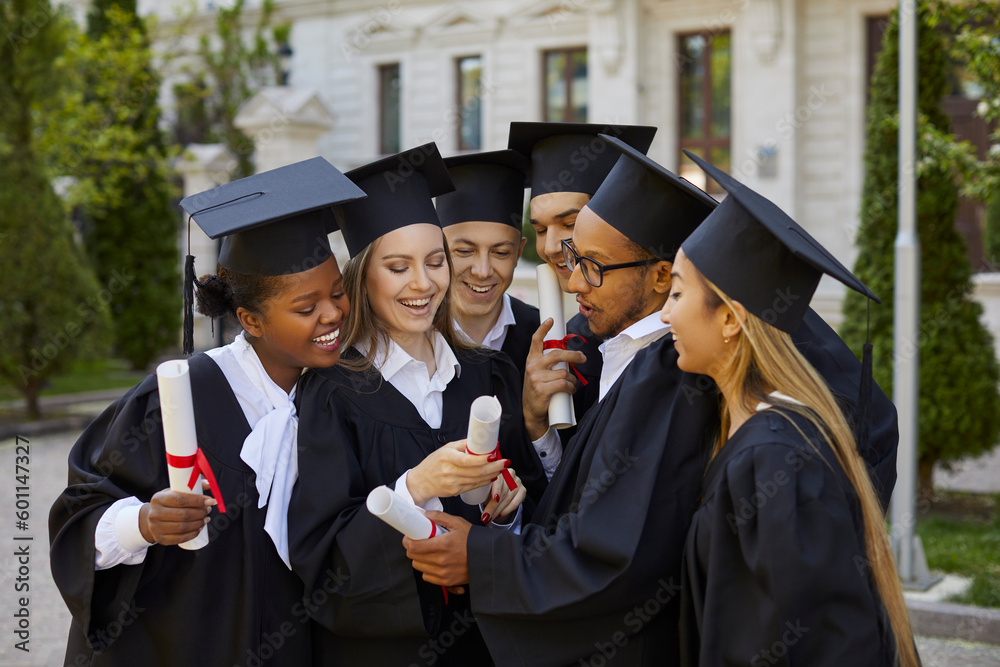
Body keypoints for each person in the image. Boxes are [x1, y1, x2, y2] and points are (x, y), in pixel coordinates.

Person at [403, 136, 721, 665]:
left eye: (588, 261)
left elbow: (620, 548)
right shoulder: (601, 345)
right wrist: (534, 425)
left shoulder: (670, 372)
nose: (568, 273)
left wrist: (480, 559)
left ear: (663, 275)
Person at [48, 158, 365, 666]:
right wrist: (146, 523)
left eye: (337, 293)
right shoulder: (179, 398)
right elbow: (81, 519)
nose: (331, 314)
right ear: (250, 320)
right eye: (306, 308)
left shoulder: (340, 392)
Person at [288, 143, 546, 665]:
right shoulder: (330, 393)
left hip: (481, 648)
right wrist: (417, 486)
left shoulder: (485, 374)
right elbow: (323, 564)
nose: (423, 283)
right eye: (397, 266)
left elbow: (531, 523)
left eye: (434, 261)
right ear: (363, 276)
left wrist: (503, 518)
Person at [665, 153, 917, 666]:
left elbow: (827, 645)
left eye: (675, 291)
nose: (665, 312)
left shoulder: (779, 459)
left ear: (731, 320)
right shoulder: (753, 436)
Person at [508, 121, 657, 441]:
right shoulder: (575, 341)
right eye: (541, 230)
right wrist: (537, 424)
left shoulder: (680, 349)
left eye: (570, 223)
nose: (550, 248)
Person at [437, 149, 538, 381]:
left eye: (501, 252)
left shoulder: (542, 337)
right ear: (436, 249)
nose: (482, 271)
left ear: (518, 253)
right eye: (464, 251)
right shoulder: (409, 336)